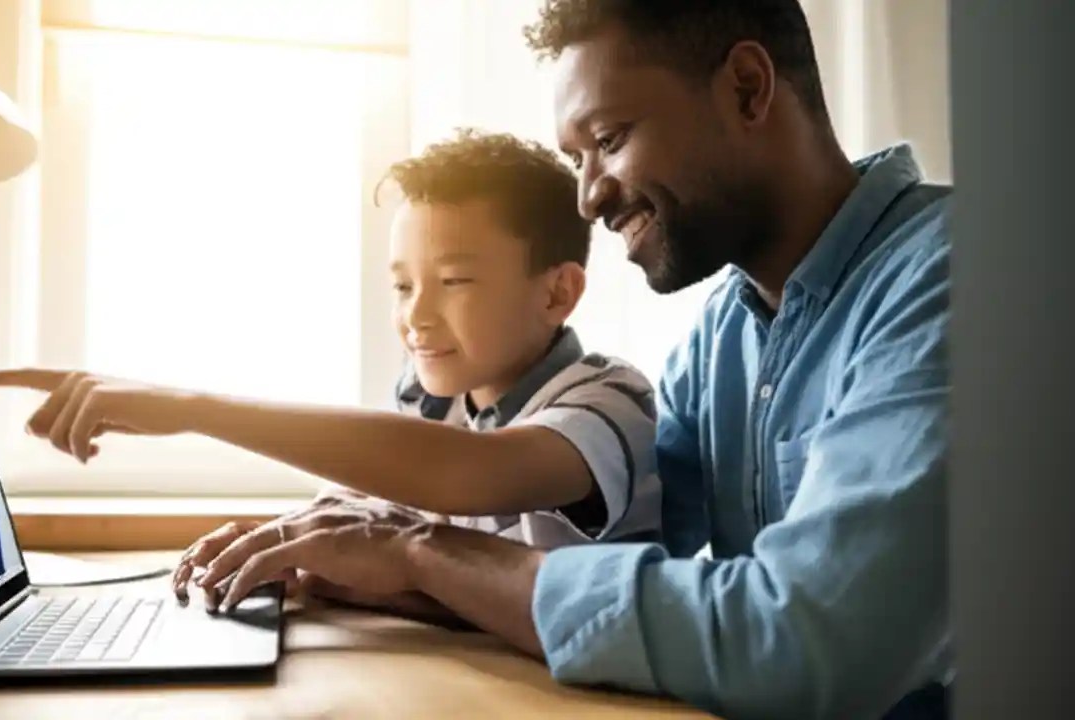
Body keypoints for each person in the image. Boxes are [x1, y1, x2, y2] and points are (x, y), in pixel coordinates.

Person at [163, 2, 954, 719]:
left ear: (748, 89)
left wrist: (418, 550)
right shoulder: (722, 338)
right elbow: (618, 574)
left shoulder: (954, 277)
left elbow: (799, 641)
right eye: (576, 157)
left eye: (609, 140)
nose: (587, 198)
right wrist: (358, 563)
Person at [0, 130, 662, 616]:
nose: (416, 316)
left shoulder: (608, 401)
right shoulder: (433, 394)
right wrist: (289, 538)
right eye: (402, 286)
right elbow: (386, 516)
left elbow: (468, 474)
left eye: (453, 281)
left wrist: (192, 409)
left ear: (557, 293)